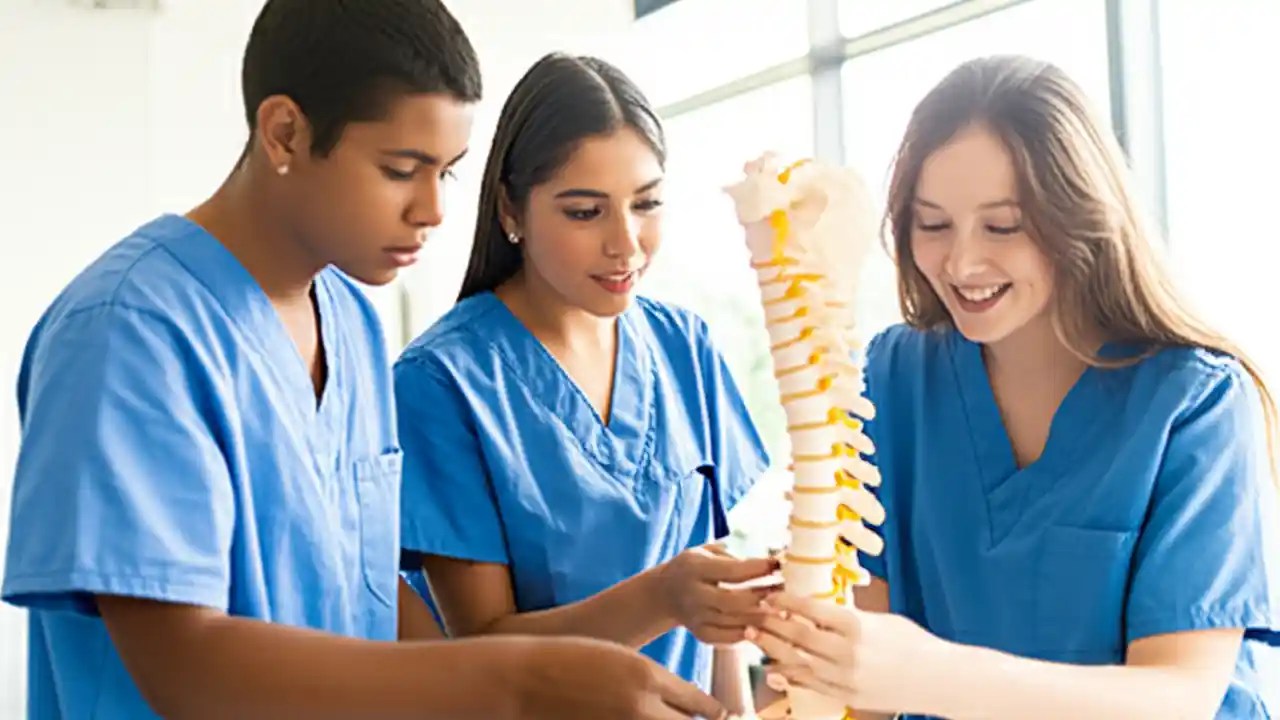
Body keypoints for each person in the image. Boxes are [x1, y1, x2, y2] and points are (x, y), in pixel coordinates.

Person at [0, 4, 730, 719]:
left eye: (445, 174)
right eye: (401, 169)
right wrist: (521, 681)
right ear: (285, 133)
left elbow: (368, 590)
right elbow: (185, 666)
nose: (433, 210)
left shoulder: (350, 323)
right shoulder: (128, 331)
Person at [748, 54, 1280, 719]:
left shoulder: (1193, 404)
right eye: (932, 225)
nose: (962, 262)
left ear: (1078, 218)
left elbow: (1179, 697)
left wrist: (929, 676)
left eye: (1003, 226)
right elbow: (857, 671)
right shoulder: (894, 377)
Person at [393, 52, 778, 717]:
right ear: (511, 209)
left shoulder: (684, 346)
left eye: (646, 204)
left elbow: (711, 602)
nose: (626, 244)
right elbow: (480, 651)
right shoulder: (441, 383)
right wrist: (661, 598)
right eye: (584, 212)